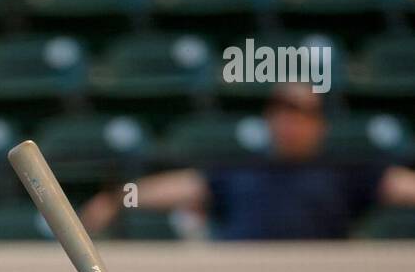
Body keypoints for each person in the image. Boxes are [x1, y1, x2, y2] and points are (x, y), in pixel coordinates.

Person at [81, 83, 415, 241]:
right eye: (282, 114)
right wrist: (116, 199)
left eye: (301, 115)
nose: (289, 125)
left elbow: (399, 186)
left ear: (320, 124)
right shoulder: (243, 169)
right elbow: (184, 186)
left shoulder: (343, 170)